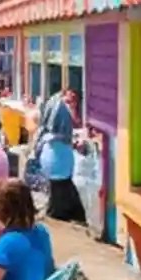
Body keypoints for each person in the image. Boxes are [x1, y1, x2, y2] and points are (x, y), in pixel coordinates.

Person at [37, 93, 86, 223]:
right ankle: (60, 215)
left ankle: (56, 212)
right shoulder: (63, 120)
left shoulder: (49, 131)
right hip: (60, 163)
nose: (70, 105)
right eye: (68, 102)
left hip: (52, 162)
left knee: (58, 191)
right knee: (62, 191)